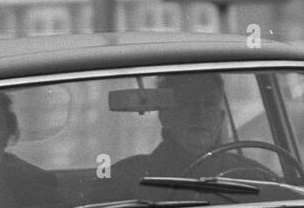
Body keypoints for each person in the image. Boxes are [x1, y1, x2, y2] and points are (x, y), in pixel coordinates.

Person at [114, 73, 273, 187]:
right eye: (187, 104)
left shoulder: (255, 178)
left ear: (221, 118)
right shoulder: (127, 179)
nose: (200, 114)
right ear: (165, 117)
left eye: (209, 104)